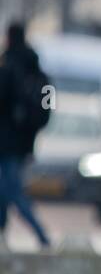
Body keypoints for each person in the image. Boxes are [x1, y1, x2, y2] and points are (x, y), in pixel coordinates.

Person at [0, 21, 52, 248]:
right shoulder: (37, 69)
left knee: (11, 190)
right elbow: (48, 103)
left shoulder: (8, 65)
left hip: (5, 140)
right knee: (5, 190)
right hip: (24, 142)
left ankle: (42, 235)